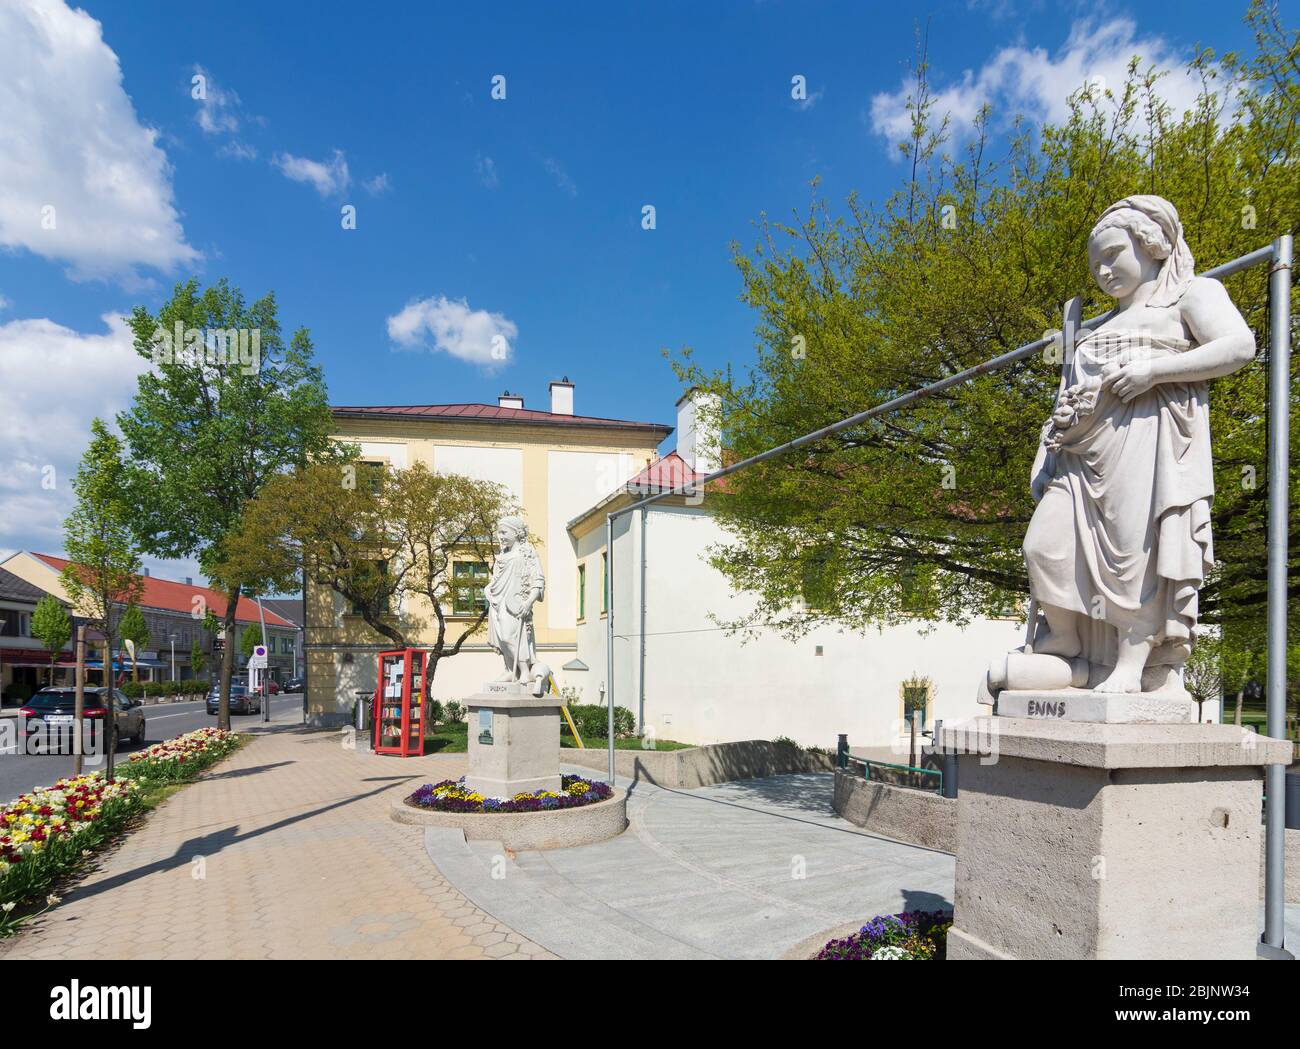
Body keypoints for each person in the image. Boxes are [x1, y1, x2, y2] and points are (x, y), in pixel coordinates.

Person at [1022, 195, 1254, 694]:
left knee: (1137, 554)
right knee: (1042, 546)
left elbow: (1238, 346)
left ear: (1151, 246)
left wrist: (1154, 371)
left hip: (1148, 442)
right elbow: (1064, 398)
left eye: (1113, 255)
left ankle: (1134, 663)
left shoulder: (1191, 295)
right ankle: (1065, 637)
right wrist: (1045, 454)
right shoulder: (1093, 327)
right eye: (1095, 263)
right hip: (1078, 457)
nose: (1103, 270)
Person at [484, 515, 545, 684]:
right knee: (502, 639)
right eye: (499, 533)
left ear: (516, 532)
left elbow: (538, 579)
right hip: (498, 602)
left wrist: (529, 602)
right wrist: (488, 588)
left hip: (516, 604)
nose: (501, 536)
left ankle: (524, 670)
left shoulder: (527, 552)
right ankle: (511, 670)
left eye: (504, 532)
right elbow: (496, 580)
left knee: (509, 636)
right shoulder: (502, 556)